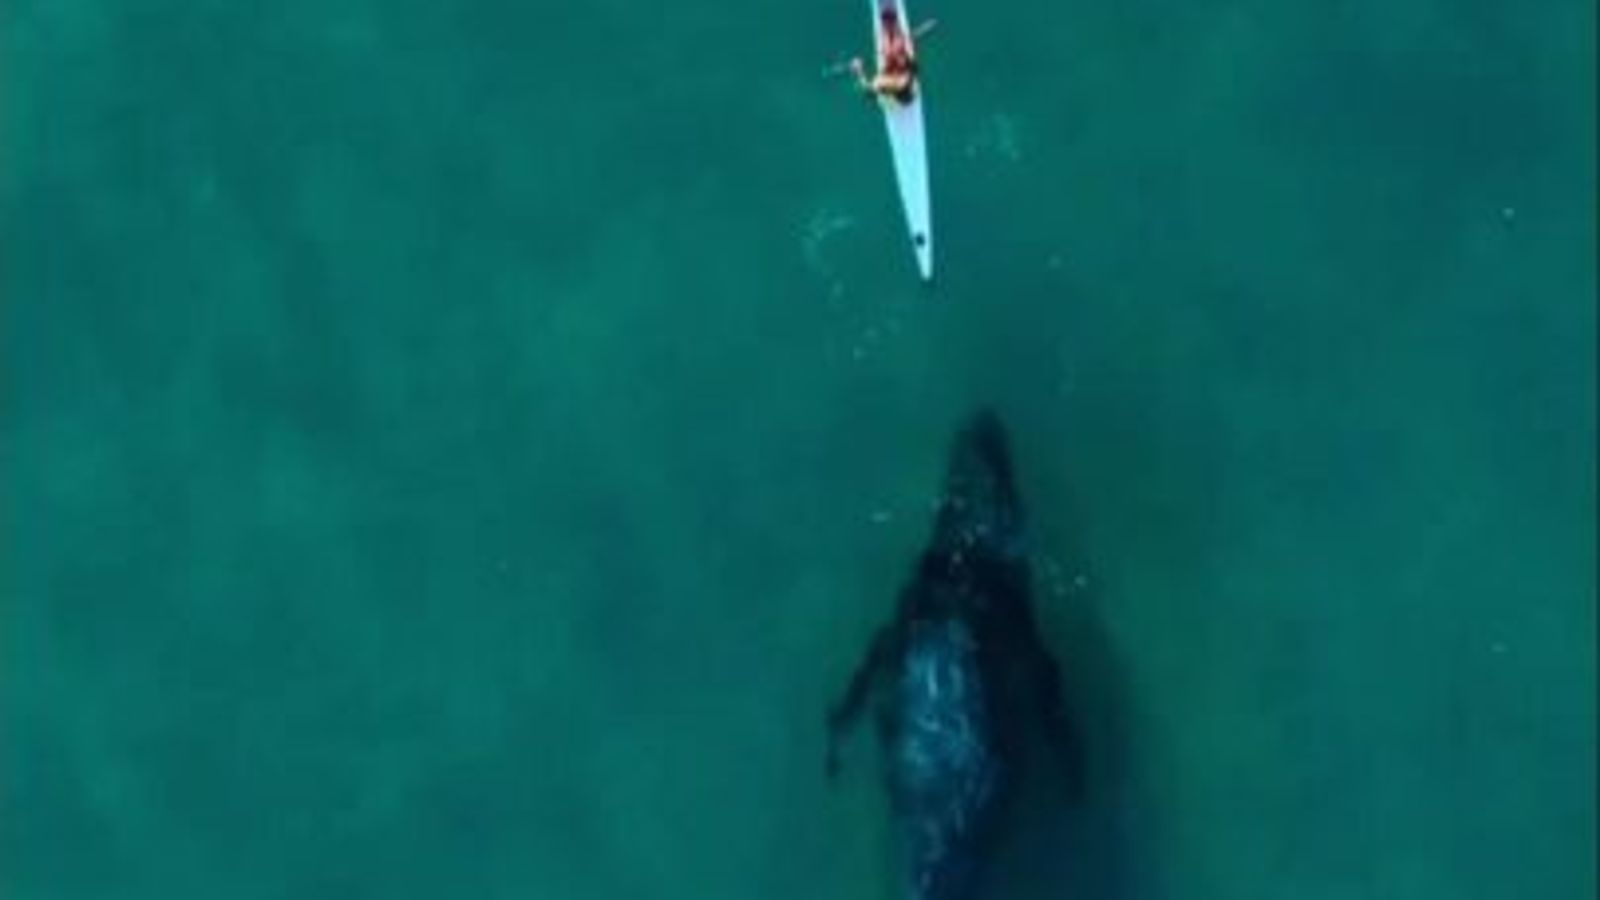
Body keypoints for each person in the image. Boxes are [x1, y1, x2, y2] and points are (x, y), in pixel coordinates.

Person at [849, 8, 936, 105]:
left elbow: (868, 88)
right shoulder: (906, 78)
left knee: (893, 53)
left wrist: (858, 69)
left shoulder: (887, 84)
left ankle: (893, 34)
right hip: (900, 68)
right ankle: (895, 34)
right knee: (899, 52)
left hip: (893, 71)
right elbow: (911, 56)